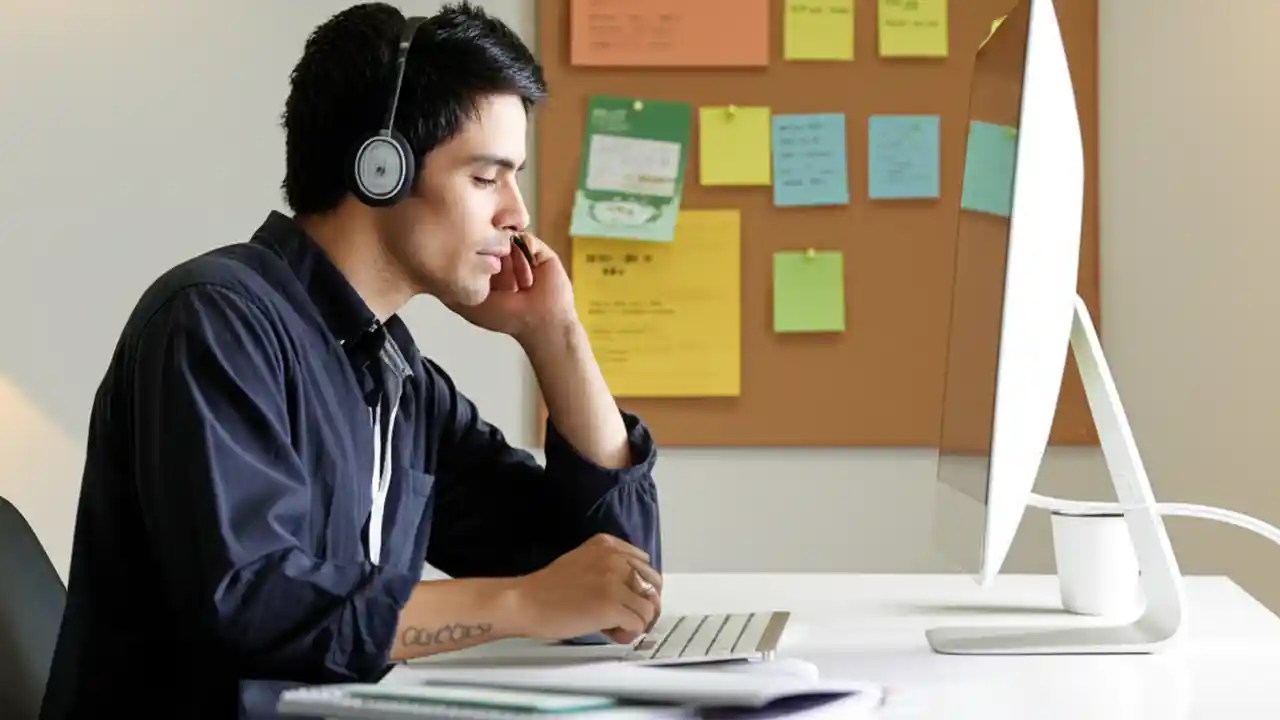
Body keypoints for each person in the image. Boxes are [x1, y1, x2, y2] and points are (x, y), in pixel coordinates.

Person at [40, 3, 663, 718]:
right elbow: (251, 602)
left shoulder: (396, 375)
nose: (517, 215)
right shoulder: (215, 322)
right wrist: (520, 602)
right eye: (487, 178)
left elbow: (614, 584)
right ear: (381, 167)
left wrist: (557, 339)